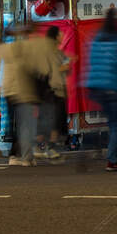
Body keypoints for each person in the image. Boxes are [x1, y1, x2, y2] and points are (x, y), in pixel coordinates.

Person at [2, 26, 54, 167]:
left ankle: (25, 155)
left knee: (26, 125)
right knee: (25, 126)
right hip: (20, 92)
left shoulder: (16, 49)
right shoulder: (19, 50)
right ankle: (24, 156)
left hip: (20, 92)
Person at [84, 10, 117, 172]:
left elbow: (91, 61)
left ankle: (97, 148)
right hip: (112, 86)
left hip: (96, 86)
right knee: (116, 125)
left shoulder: (96, 38)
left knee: (109, 122)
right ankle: (112, 160)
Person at [36, 25, 69, 160]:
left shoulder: (52, 52)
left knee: (49, 121)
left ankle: (41, 146)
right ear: (56, 37)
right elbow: (59, 70)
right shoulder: (54, 53)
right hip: (54, 90)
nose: (62, 37)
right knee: (54, 121)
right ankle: (48, 147)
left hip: (49, 90)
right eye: (60, 34)